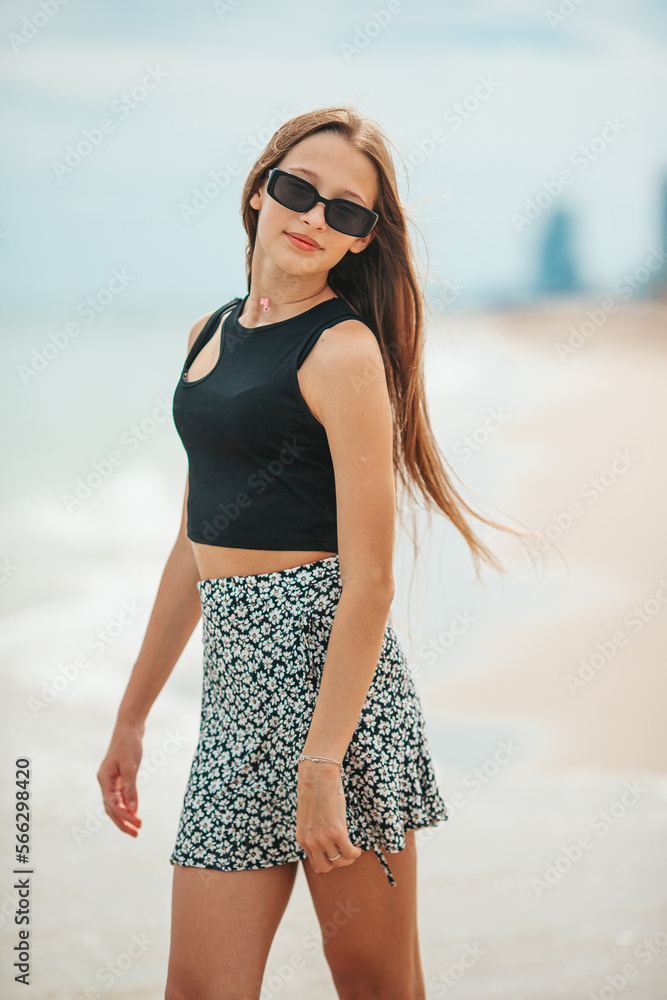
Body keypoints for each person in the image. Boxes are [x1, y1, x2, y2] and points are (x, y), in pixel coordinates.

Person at [97, 105, 526, 1000]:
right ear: (259, 190)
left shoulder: (342, 352)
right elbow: (195, 542)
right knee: (201, 990)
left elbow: (369, 581)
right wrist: (132, 716)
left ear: (363, 240)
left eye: (347, 211)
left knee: (374, 985)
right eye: (298, 189)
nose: (314, 216)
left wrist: (321, 762)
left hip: (342, 706)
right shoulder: (207, 335)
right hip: (234, 706)